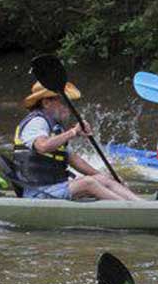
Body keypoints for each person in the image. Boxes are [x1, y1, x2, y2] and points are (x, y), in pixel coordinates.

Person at [13, 82, 141, 201]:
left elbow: (74, 159)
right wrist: (73, 132)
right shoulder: (36, 122)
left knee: (102, 178)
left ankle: (141, 204)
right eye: (63, 102)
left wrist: (105, 176)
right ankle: (130, 209)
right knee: (88, 183)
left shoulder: (54, 127)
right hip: (37, 193)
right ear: (46, 103)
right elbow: (42, 146)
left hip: (55, 187)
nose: (68, 108)